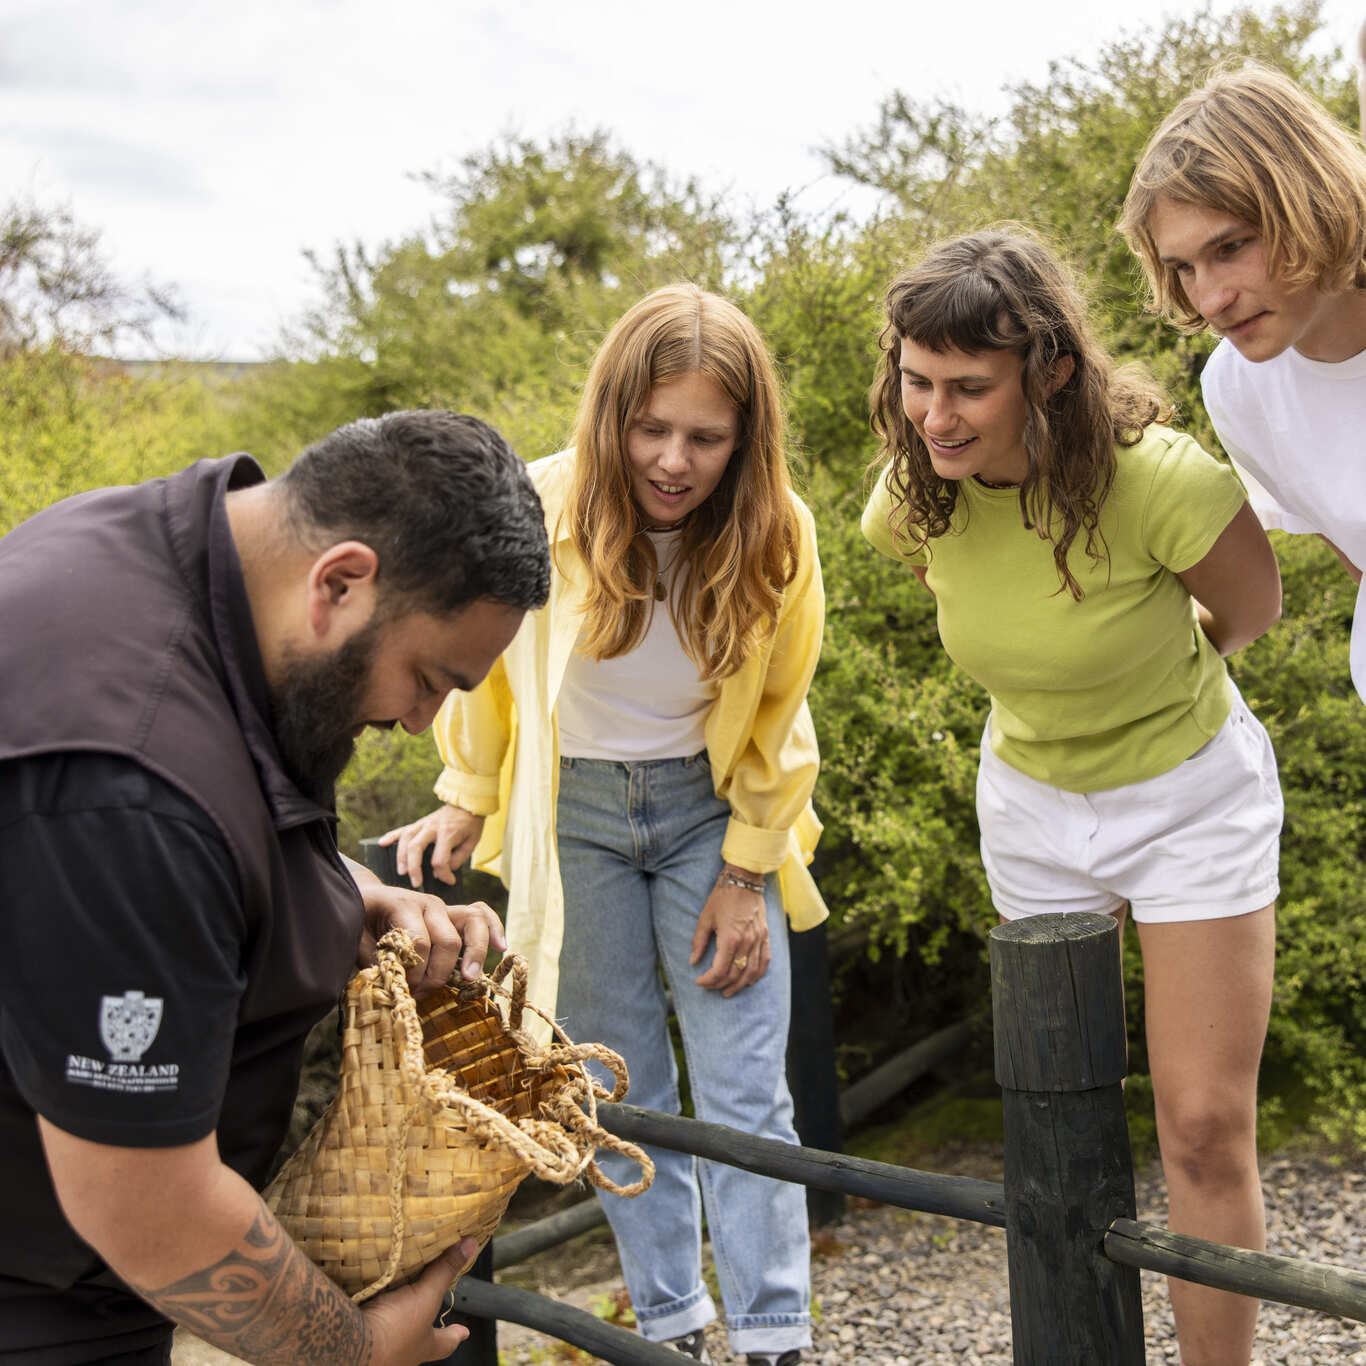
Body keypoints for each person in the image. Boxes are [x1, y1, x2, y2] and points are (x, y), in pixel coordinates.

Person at [0, 410, 551, 1365]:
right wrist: (359, 1351)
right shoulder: (125, 792)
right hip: (43, 1299)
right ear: (339, 580)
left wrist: (345, 892)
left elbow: (219, 804)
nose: (420, 723)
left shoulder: (175, 547)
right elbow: (144, 1202)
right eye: (427, 677)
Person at [861, 229, 1283, 1366]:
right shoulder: (913, 502)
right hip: (1036, 813)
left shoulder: (1161, 478)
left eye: (966, 388)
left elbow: (1248, 611)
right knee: (1055, 1123)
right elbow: (999, 627)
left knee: (1199, 1126)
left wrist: (1144, 682)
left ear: (1047, 371)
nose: (933, 416)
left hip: (1191, 797)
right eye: (915, 382)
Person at [383, 284, 827, 1366]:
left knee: (744, 1090)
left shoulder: (777, 533)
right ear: (612, 417)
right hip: (572, 817)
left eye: (705, 437)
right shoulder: (542, 506)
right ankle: (669, 1329)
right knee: (616, 1086)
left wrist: (745, 869)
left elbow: (780, 712)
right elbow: (488, 670)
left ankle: (776, 1336)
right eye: (651, 429)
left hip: (707, 821)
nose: (674, 459)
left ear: (744, 439)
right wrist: (467, 790)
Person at [1122, 61, 1366, 703]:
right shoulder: (1236, 388)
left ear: (1313, 203)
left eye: (1231, 247)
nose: (1210, 299)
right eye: (1183, 268)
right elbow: (1356, 557)